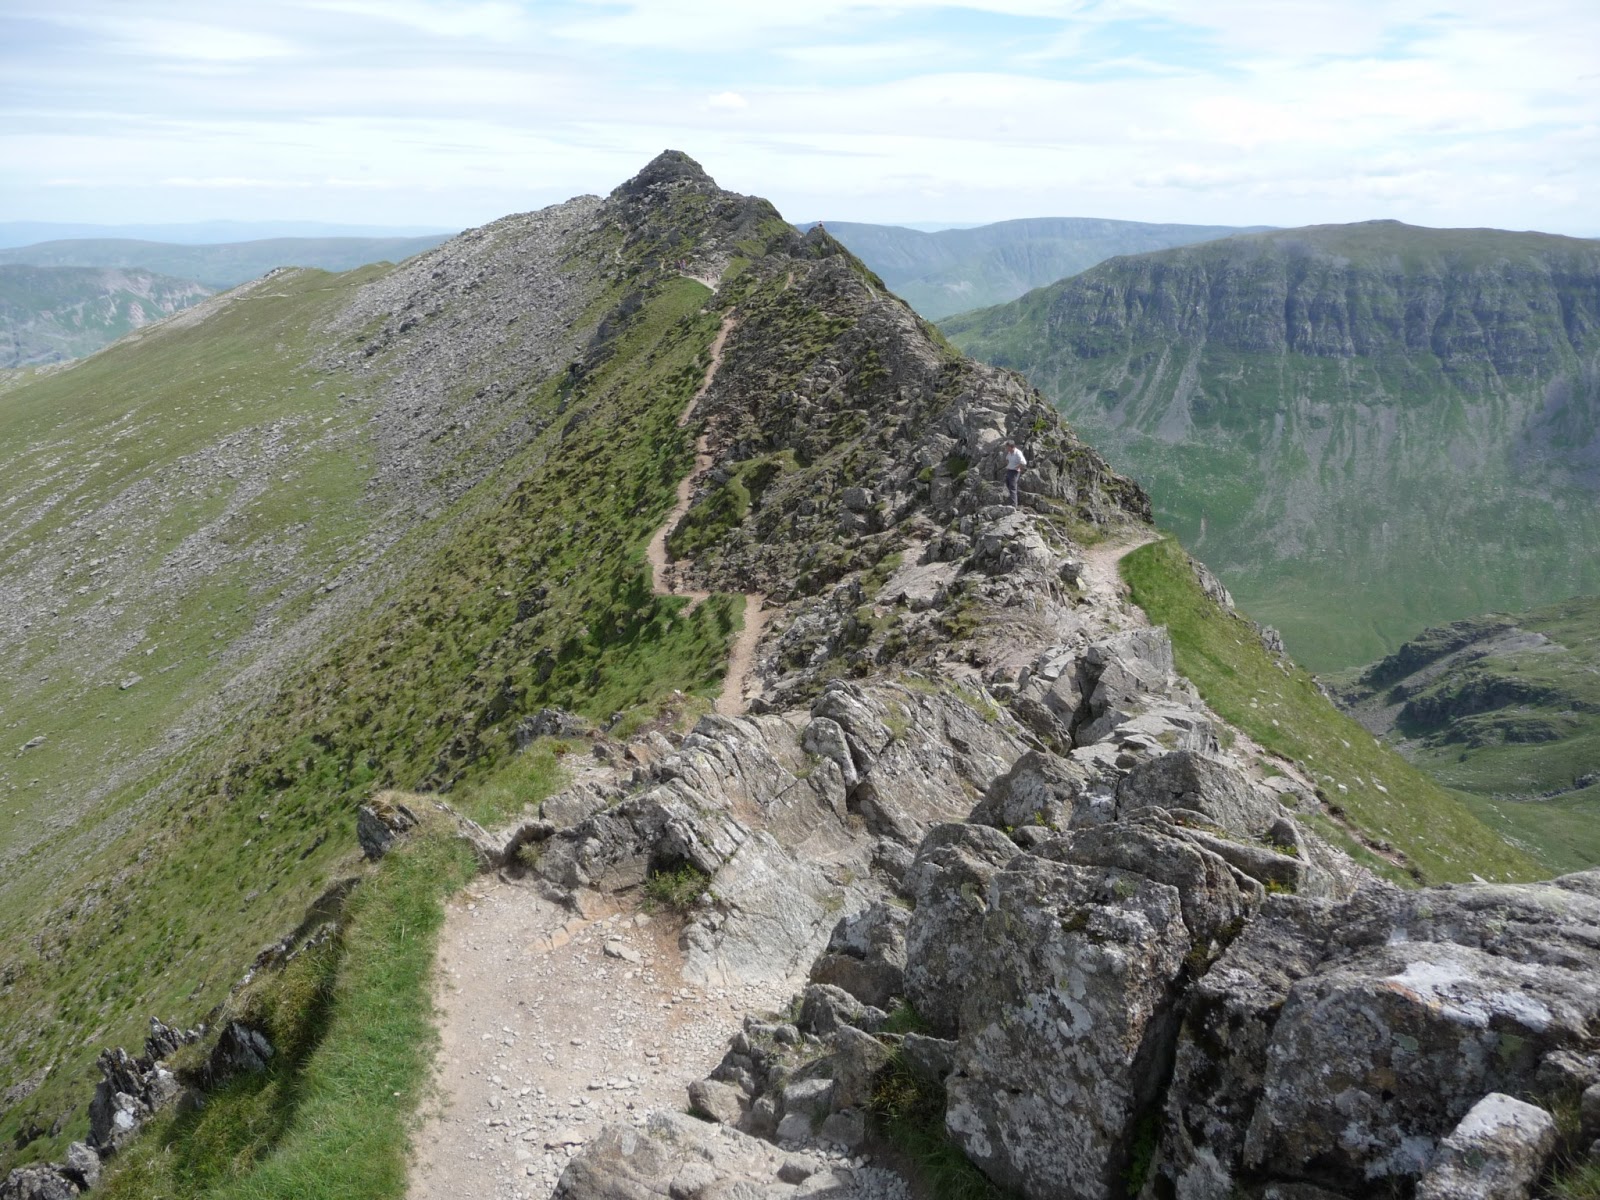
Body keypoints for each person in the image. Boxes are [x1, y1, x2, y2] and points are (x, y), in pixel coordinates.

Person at [1003, 439, 1027, 506]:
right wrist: (1008, 464)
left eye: (1007, 447)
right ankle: (1012, 501)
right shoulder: (1009, 452)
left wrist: (1018, 466)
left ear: (1011, 446)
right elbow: (1007, 459)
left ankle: (1014, 505)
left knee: (1013, 487)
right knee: (1008, 485)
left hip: (1014, 472)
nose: (1006, 448)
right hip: (1009, 470)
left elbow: (1024, 462)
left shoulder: (1018, 453)